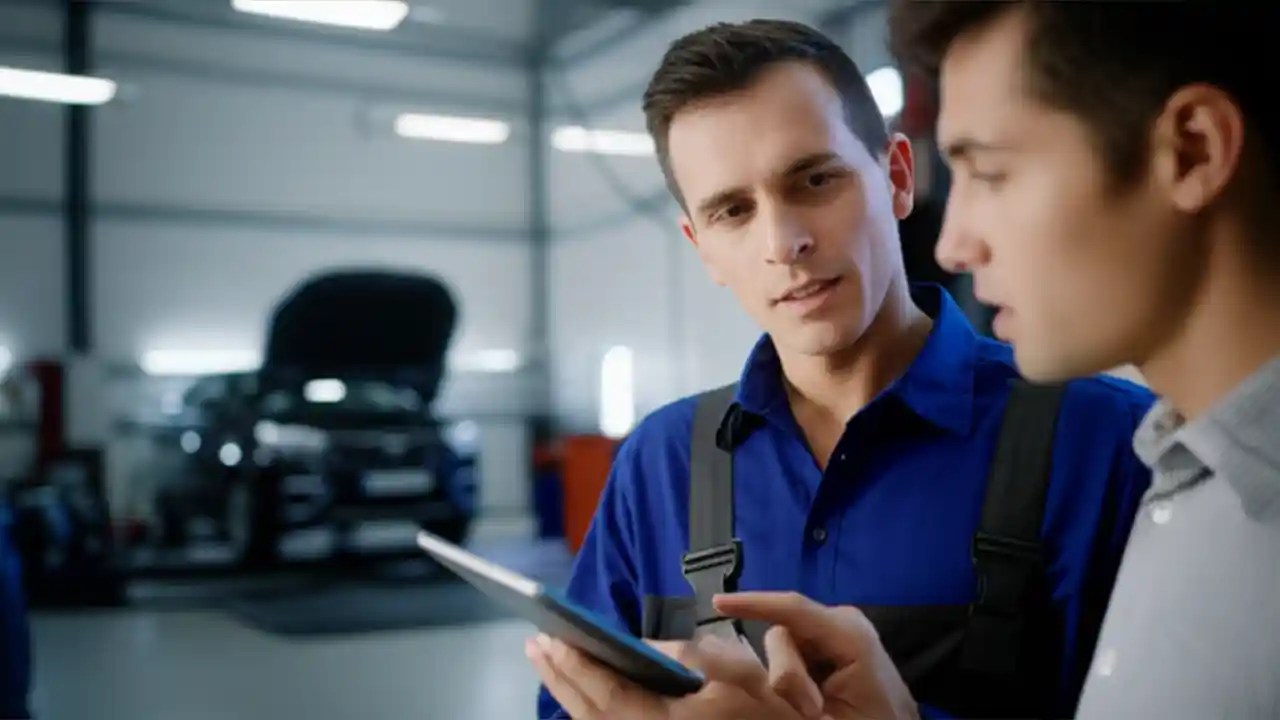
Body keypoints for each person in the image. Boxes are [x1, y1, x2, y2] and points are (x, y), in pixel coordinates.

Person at [531, 18, 1156, 720]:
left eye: (815, 180)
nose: (784, 242)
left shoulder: (1108, 443)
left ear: (894, 176)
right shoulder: (659, 463)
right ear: (701, 245)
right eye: (733, 211)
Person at [708, 2, 1280, 718]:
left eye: (993, 174)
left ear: (1191, 151)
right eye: (730, 209)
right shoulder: (1185, 485)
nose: (952, 246)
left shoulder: (1114, 457)